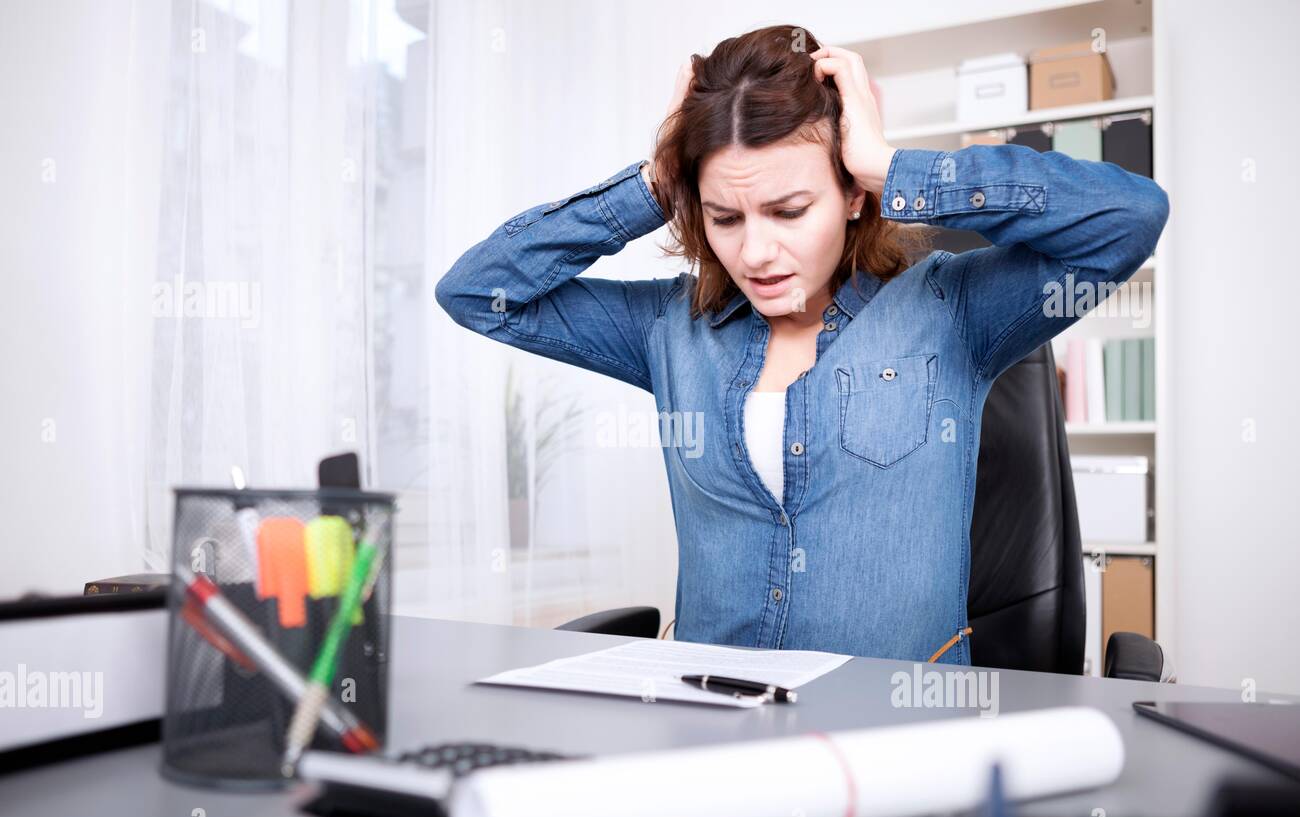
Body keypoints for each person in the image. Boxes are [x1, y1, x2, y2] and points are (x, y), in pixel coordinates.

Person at [435, 24, 1169, 664]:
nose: (756, 252)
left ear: (851, 194)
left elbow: (1131, 216)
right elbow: (477, 292)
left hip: (893, 735)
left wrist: (890, 167)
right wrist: (655, 186)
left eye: (789, 210)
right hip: (714, 731)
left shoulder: (954, 310)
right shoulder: (669, 330)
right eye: (725, 217)